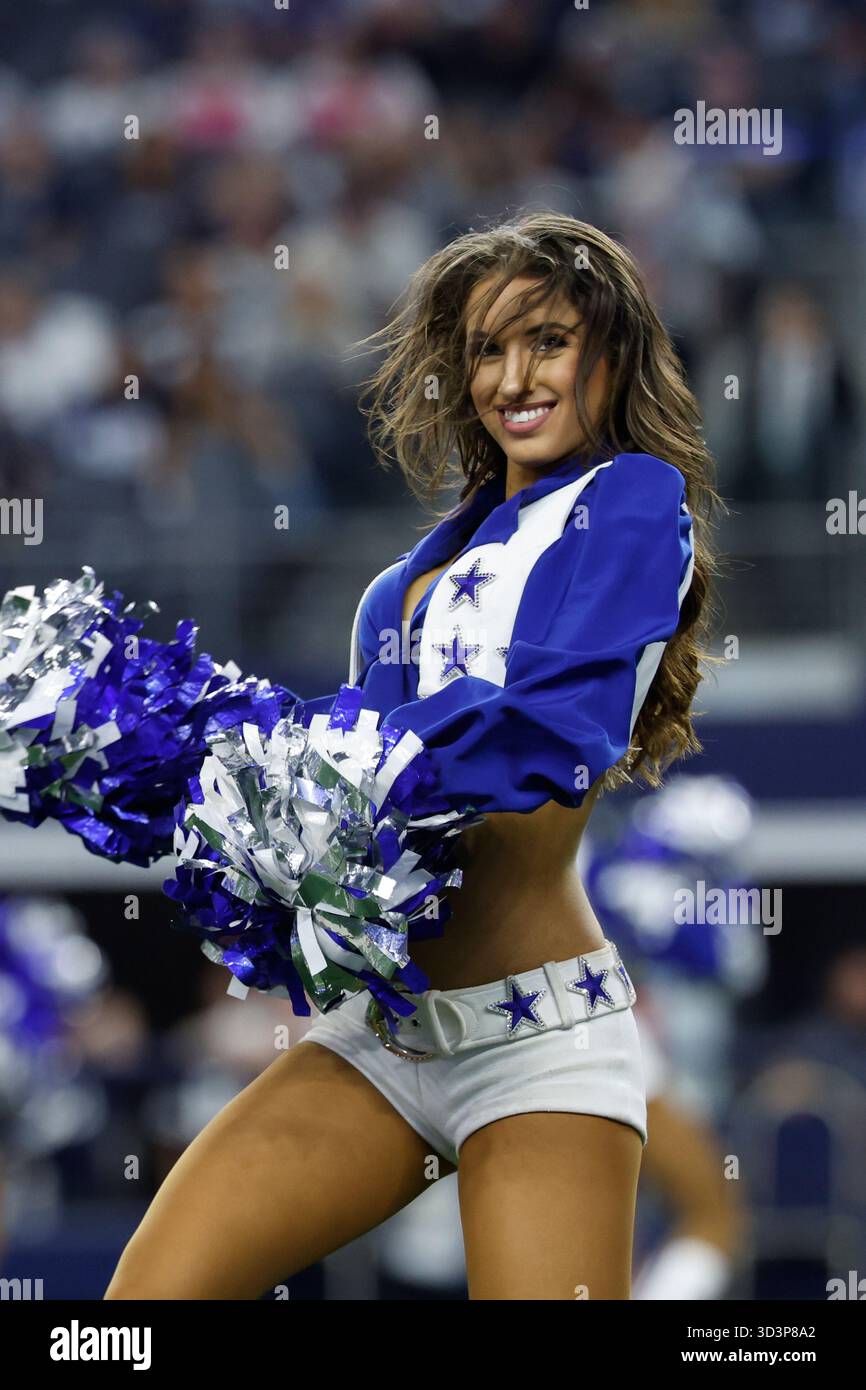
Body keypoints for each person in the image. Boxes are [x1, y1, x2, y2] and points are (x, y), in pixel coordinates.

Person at [104, 210, 721, 1301]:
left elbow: (553, 724)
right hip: (379, 1041)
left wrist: (349, 761)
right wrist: (180, 769)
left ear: (609, 354)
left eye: (547, 340)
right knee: (140, 1312)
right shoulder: (398, 589)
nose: (512, 375)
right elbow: (349, 833)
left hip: (538, 1046)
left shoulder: (630, 506)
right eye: (487, 349)